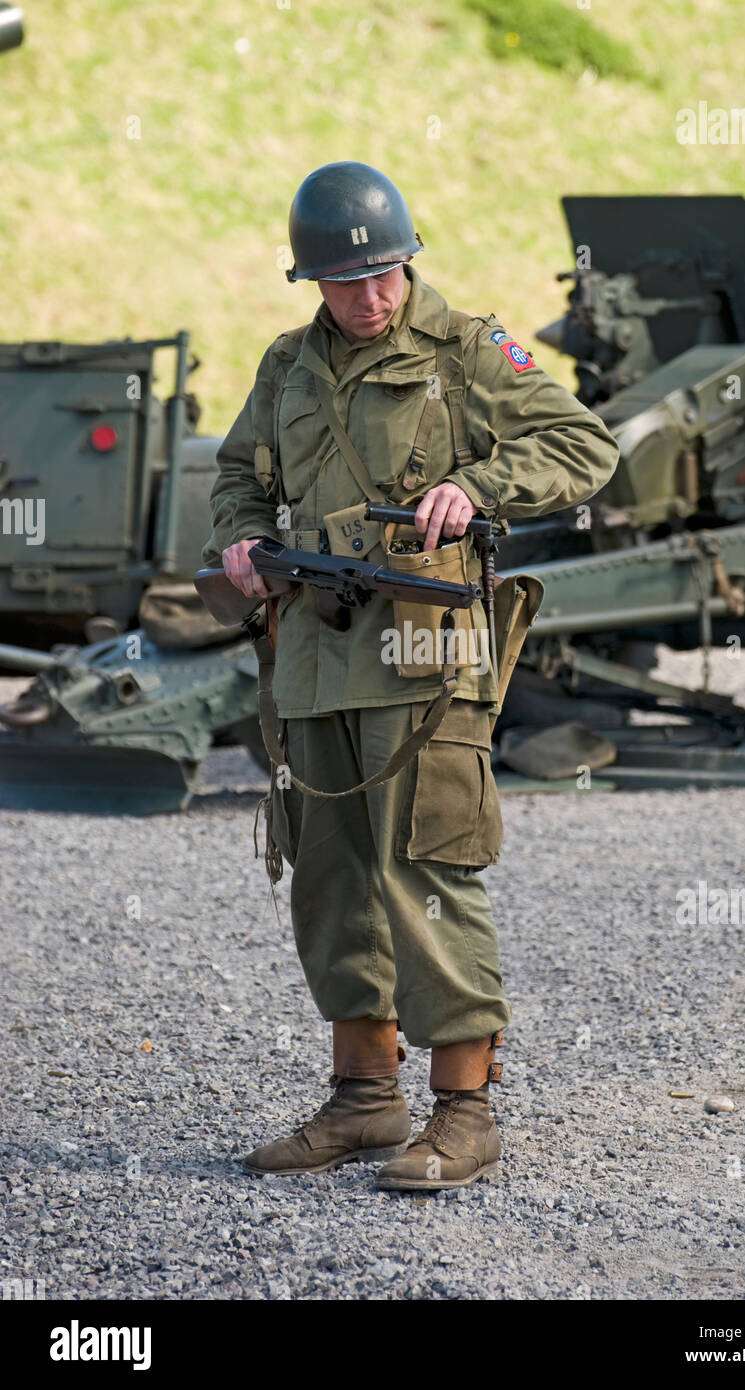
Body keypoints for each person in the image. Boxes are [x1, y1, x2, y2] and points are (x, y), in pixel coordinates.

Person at [201, 161, 618, 1192]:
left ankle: (465, 1111)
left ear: (409, 258)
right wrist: (246, 545)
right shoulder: (286, 366)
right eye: (350, 280)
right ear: (311, 280)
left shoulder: (469, 348)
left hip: (424, 663)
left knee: (426, 872)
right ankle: (364, 1100)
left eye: (388, 273)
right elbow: (237, 479)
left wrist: (475, 487)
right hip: (311, 661)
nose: (374, 295)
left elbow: (583, 445)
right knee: (332, 881)